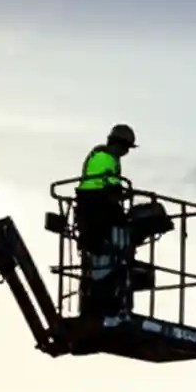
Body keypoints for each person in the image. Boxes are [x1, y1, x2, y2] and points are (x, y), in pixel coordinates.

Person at [74, 124, 137, 317]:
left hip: (92, 207)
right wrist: (122, 195)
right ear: (120, 144)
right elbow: (107, 187)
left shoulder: (101, 156)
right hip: (97, 207)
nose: (126, 152)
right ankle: (110, 298)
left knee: (97, 253)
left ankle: (100, 297)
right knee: (109, 249)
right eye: (126, 148)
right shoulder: (106, 158)